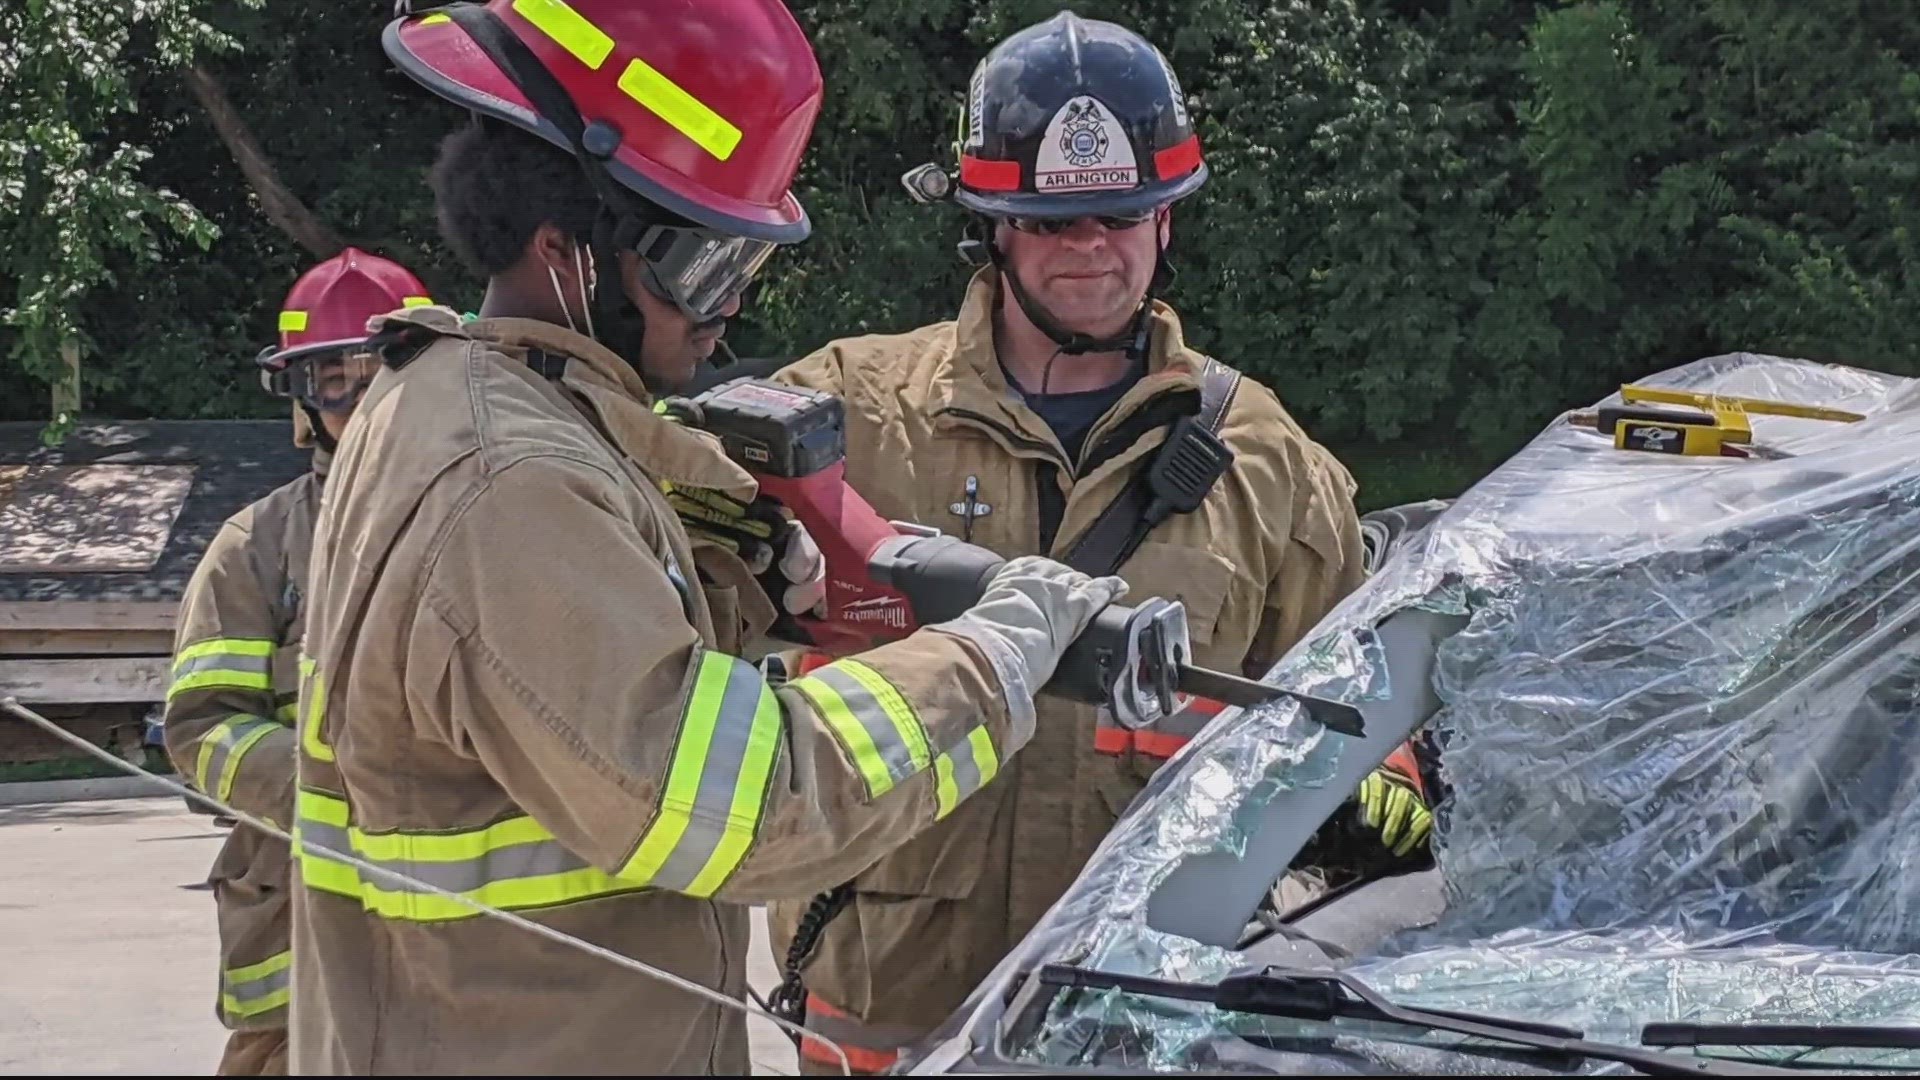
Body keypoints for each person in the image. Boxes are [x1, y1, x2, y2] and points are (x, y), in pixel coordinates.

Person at [289, 2, 1129, 1074]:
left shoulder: (451, 396)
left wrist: (707, 568)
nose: (725, 312)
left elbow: (545, 706)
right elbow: (743, 804)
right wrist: (991, 659)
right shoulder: (511, 484)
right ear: (566, 251)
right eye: (703, 266)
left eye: (745, 268)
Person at [764, 12, 1424, 1072]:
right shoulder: (848, 412)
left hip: (1143, 1020)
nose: (1090, 246)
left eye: (1123, 214)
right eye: (1051, 221)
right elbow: (666, 528)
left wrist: (1377, 774)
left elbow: (1360, 682)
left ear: (1166, 223)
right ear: (990, 227)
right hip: (886, 1017)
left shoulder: (1265, 464)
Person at [163, 247, 435, 1076]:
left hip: (456, 933)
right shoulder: (258, 548)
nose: (359, 401)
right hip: (294, 925)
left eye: (381, 371)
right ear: (299, 397)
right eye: (332, 381)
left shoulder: (484, 517)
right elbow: (200, 729)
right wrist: (332, 790)